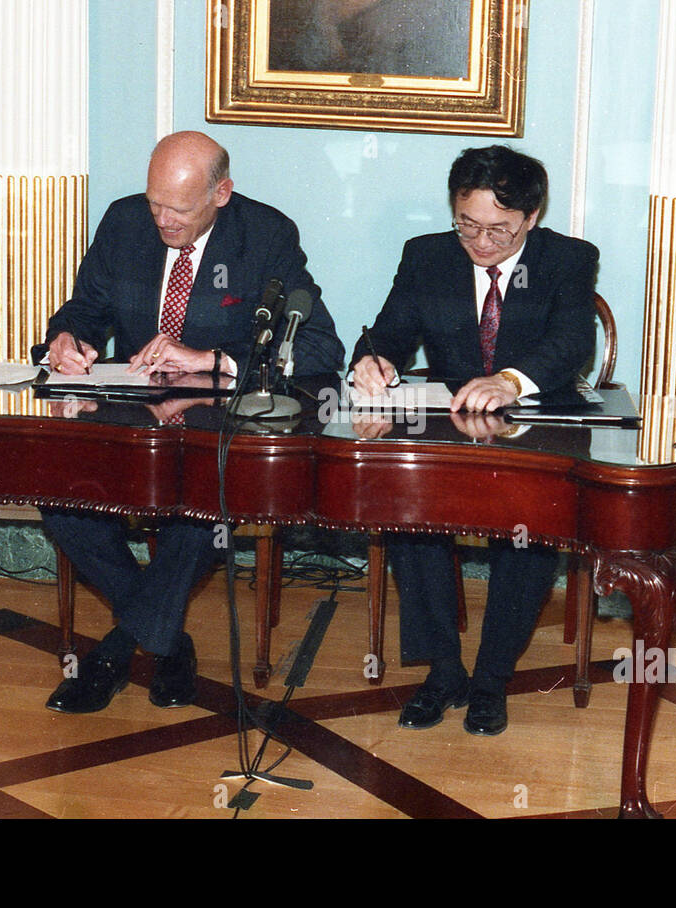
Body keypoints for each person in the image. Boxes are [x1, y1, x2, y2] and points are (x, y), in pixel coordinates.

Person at [35, 131, 345, 714]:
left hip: (214, 430)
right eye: (154, 203)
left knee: (198, 517)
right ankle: (167, 642)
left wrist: (212, 359)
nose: (161, 220)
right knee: (61, 503)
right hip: (129, 420)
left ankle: (115, 654)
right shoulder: (125, 223)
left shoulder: (266, 236)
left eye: (177, 208)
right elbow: (85, 308)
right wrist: (67, 339)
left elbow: (323, 348)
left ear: (221, 193)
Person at [349, 145, 598, 736]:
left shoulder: (567, 260)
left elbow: (570, 345)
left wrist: (510, 380)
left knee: (531, 530)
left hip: (536, 427)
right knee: (407, 513)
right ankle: (443, 671)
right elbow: (387, 332)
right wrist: (373, 360)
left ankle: (491, 679)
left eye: (499, 230)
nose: (481, 244)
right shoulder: (427, 256)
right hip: (452, 430)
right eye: (468, 226)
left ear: (531, 218)